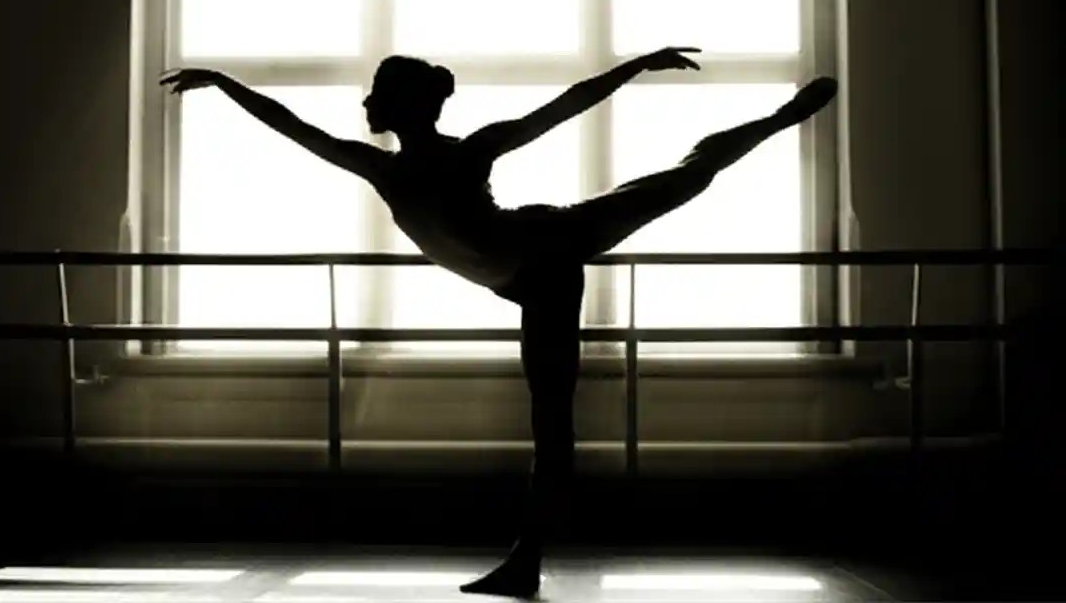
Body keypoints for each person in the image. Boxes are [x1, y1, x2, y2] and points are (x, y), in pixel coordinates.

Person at [161, 50, 838, 599]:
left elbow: (562, 107)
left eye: (380, 91)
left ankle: (781, 118)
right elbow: (292, 127)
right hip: (522, 275)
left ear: (407, 103)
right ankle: (529, 555)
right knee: (675, 188)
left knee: (684, 180)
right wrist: (225, 83)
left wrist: (632, 68)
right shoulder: (380, 167)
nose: (370, 102)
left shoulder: (467, 153)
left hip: (547, 250)